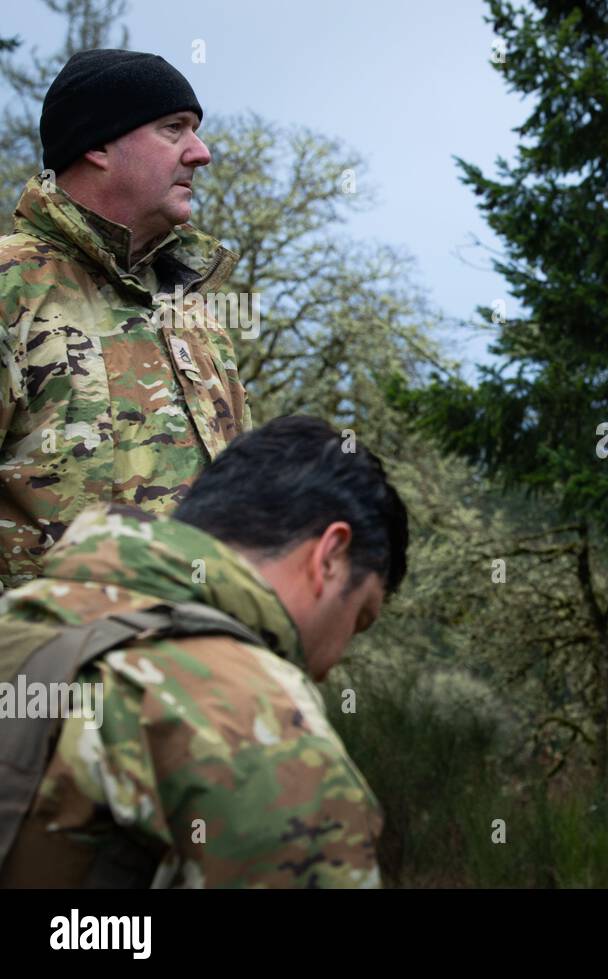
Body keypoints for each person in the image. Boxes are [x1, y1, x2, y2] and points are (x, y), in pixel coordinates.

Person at [0, 415, 407, 888]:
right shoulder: (263, 720)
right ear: (330, 556)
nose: (327, 670)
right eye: (359, 618)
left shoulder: (17, 620)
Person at [0, 48, 251, 593]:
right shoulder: (9, 288)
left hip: (194, 668)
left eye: (196, 130)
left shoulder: (194, 314)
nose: (201, 153)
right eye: (173, 129)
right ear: (97, 145)